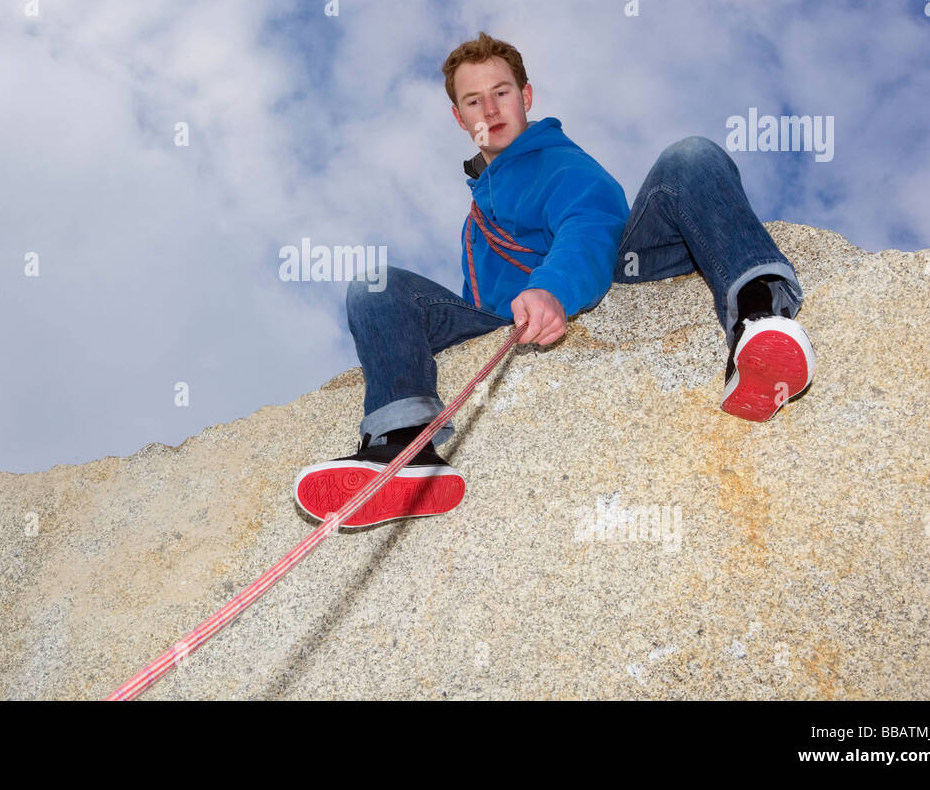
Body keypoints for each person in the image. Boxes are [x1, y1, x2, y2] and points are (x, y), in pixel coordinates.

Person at [293, 31, 815, 529]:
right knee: (376, 285)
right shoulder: (475, 220)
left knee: (691, 156)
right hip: (503, 321)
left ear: (526, 96)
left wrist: (552, 290)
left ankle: (760, 321)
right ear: (459, 117)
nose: (490, 110)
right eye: (473, 101)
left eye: (501, 93)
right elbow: (478, 305)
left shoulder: (556, 161)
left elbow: (589, 225)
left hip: (612, 269)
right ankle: (405, 448)